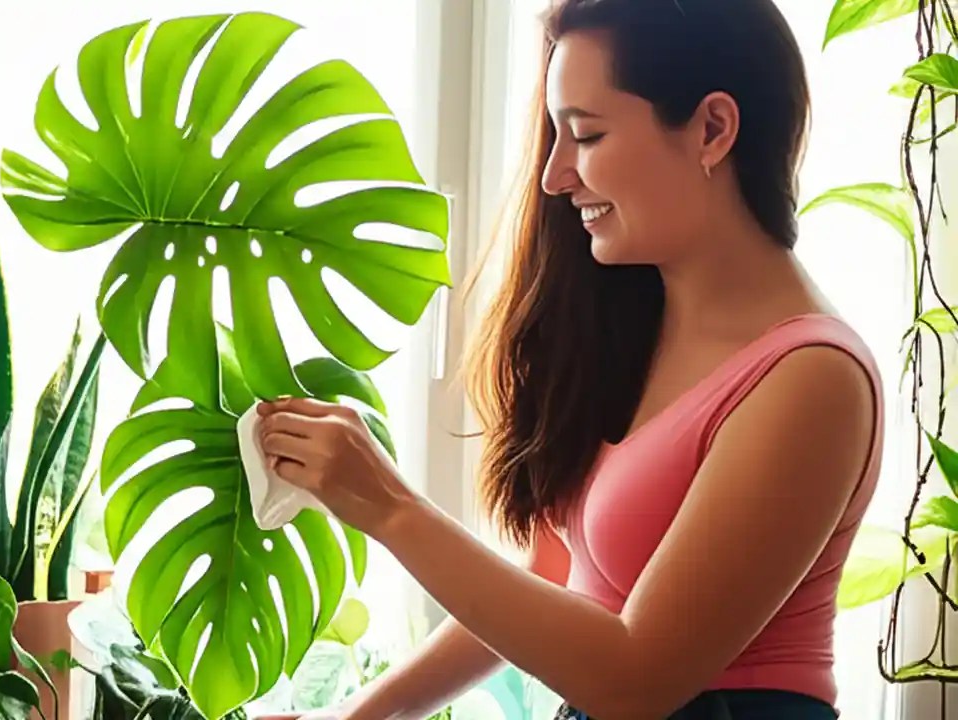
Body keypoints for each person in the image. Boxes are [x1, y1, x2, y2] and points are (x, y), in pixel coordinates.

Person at [254, 0, 882, 718]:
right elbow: (556, 580)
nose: (555, 175)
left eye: (586, 134)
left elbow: (635, 681)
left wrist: (390, 508)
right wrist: (361, 714)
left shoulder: (812, 380)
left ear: (712, 129)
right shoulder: (635, 331)